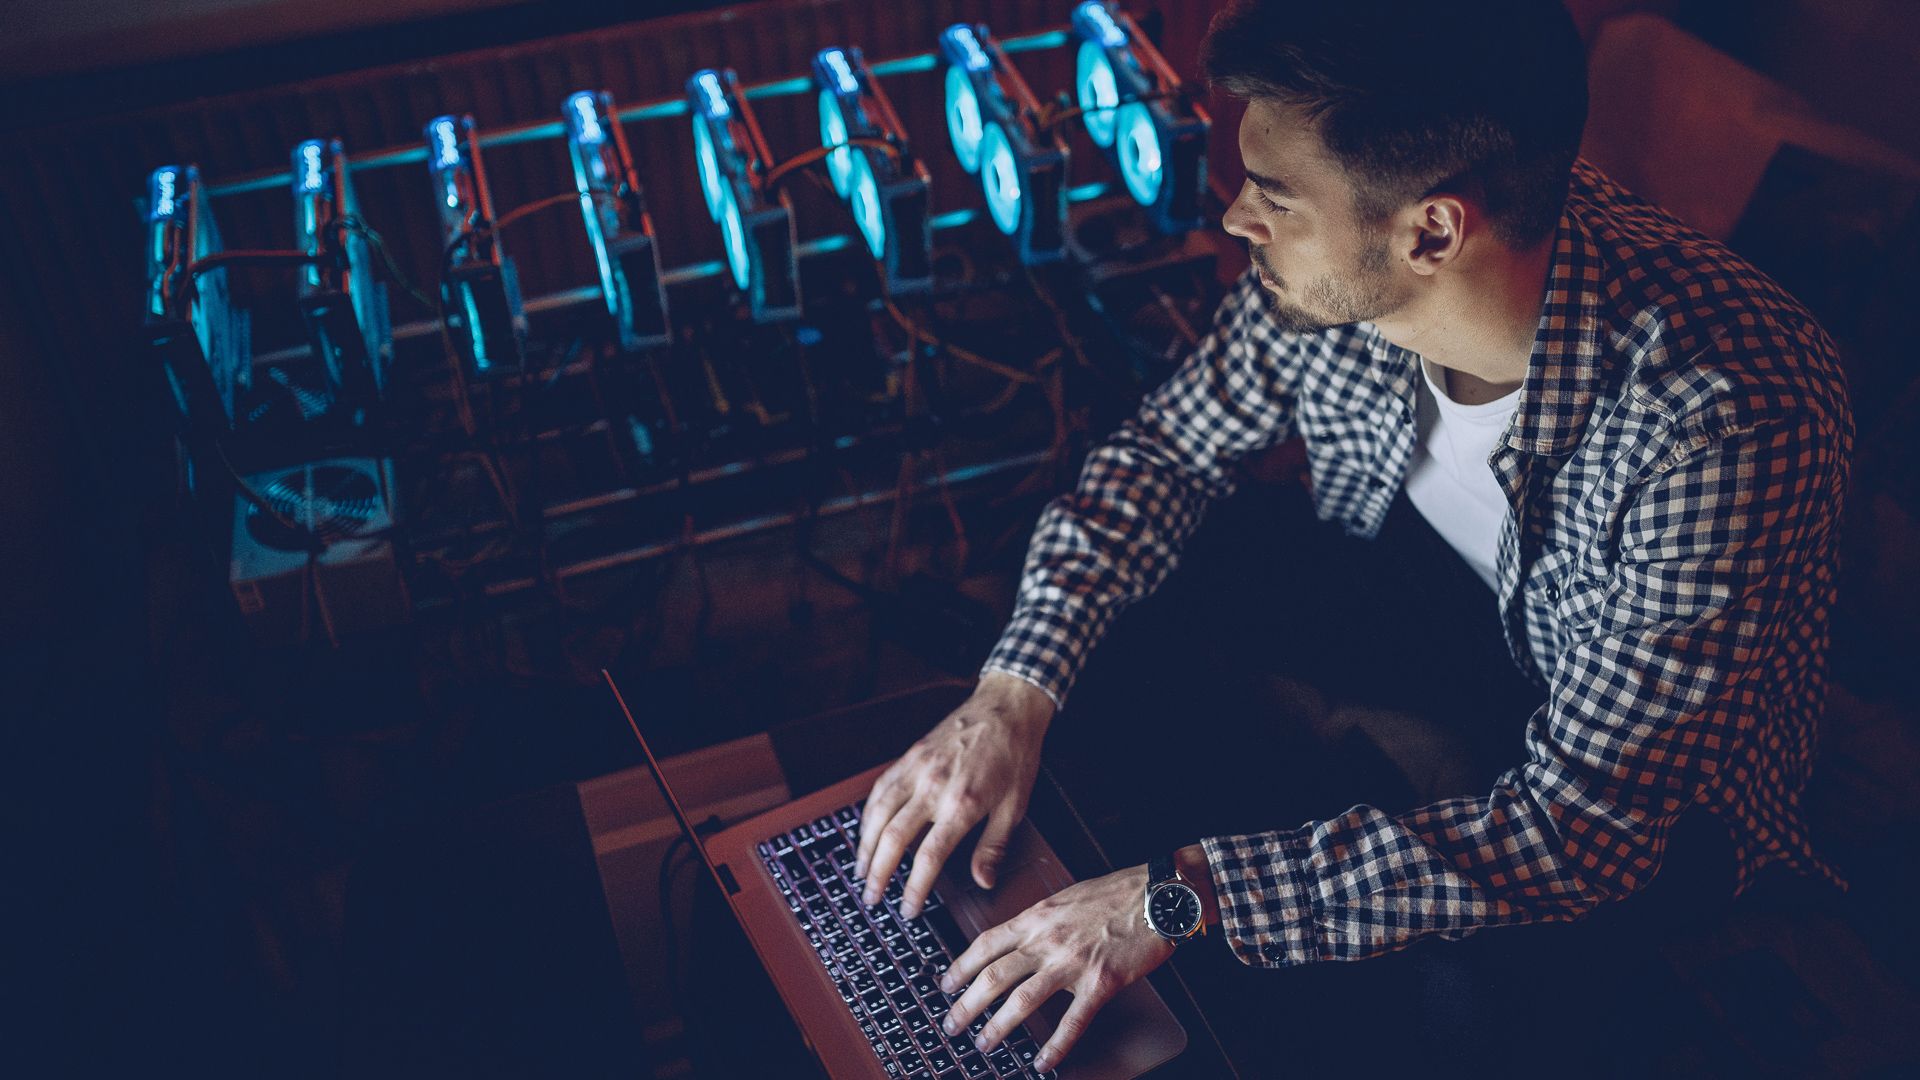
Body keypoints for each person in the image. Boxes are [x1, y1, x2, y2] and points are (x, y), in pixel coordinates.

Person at [854, 0, 1853, 1072]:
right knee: (1115, 632)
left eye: (1275, 198)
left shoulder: (1726, 416)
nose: (1237, 219)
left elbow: (1582, 831)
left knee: (1460, 996)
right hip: (1433, 606)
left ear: (1431, 231)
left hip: (1639, 817)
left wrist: (1180, 898)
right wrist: (1011, 695)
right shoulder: (1321, 283)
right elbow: (1167, 459)